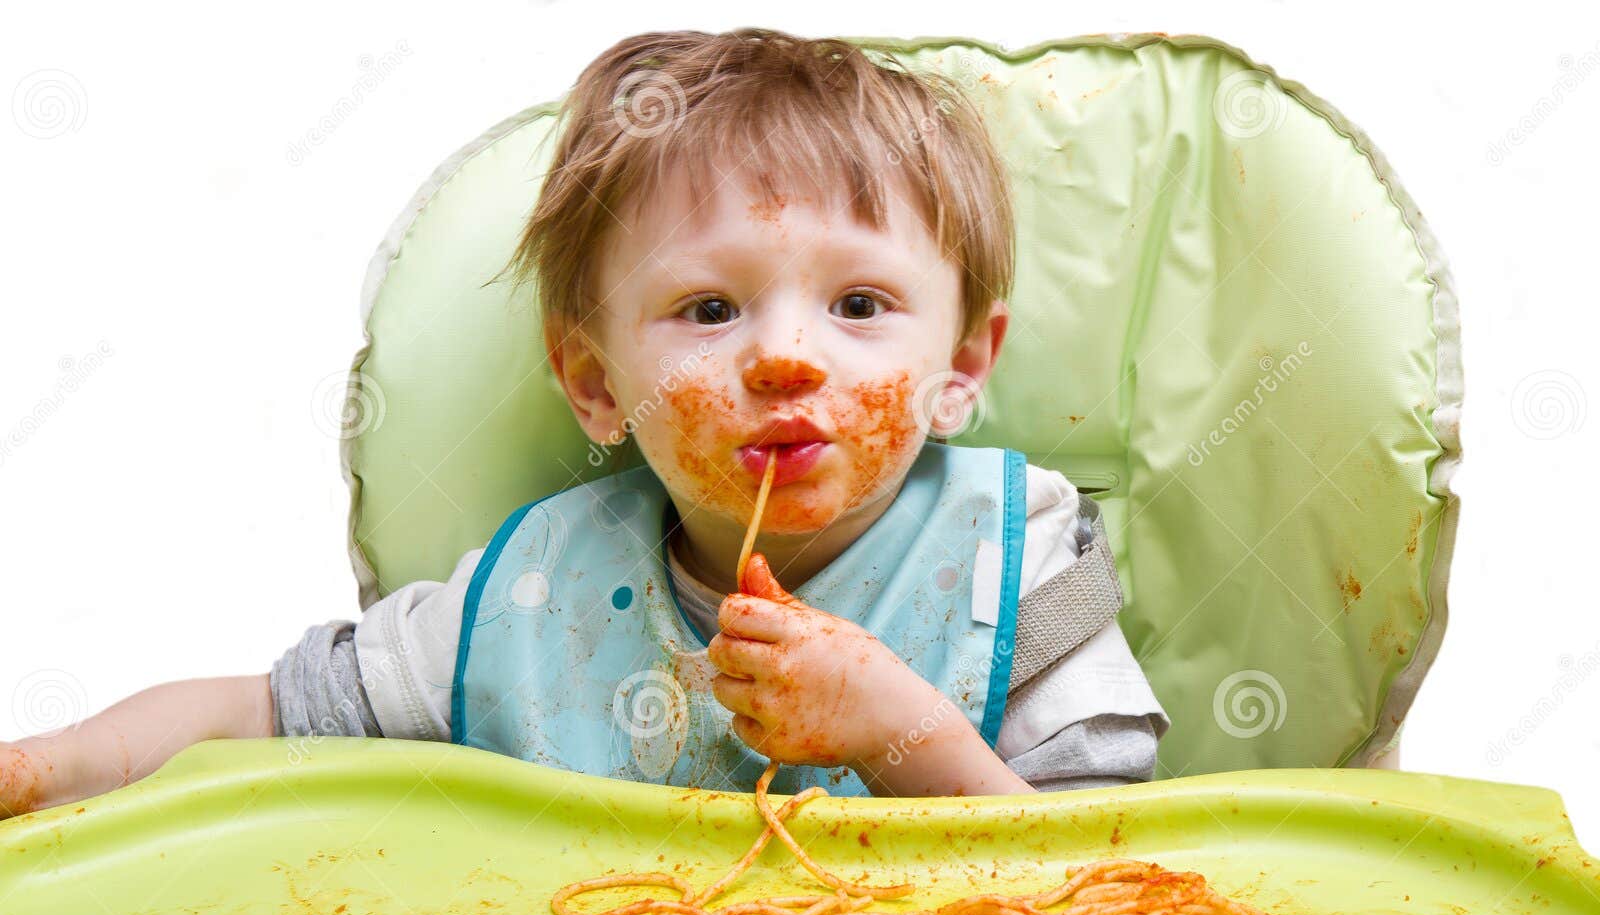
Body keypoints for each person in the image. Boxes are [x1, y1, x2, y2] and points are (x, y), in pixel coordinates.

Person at [0, 29, 1167, 818]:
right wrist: (50, 766)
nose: (783, 355)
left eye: (859, 304)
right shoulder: (532, 594)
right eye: (709, 307)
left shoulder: (1012, 573)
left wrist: (895, 728)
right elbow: (259, 711)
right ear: (597, 385)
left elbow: (1099, 881)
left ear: (961, 366)